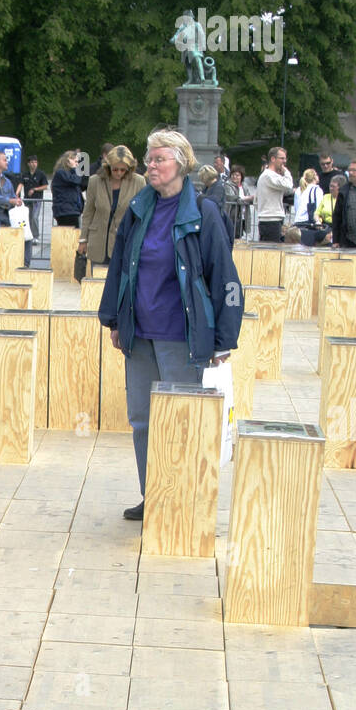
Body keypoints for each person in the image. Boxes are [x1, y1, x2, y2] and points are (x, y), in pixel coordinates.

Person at [98, 128, 243, 521]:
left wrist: (223, 339)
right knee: (143, 420)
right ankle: (155, 496)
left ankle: (184, 501)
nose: (151, 165)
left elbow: (224, 277)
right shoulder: (139, 208)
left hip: (183, 337)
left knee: (181, 420)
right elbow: (120, 269)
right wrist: (113, 318)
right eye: (150, 158)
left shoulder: (203, 212)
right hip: (139, 335)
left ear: (180, 163)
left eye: (159, 159)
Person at [78, 144, 144, 265]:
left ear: (129, 168)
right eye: (115, 169)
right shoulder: (95, 181)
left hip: (124, 243)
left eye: (123, 170)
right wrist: (83, 240)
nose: (118, 173)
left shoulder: (139, 182)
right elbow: (88, 213)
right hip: (98, 244)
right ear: (108, 167)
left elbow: (142, 215)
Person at [255, 146, 293, 242]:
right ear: (272, 159)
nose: (284, 161)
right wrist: (286, 171)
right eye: (282, 158)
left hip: (272, 220)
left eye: (285, 158)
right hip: (270, 220)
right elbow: (288, 185)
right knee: (271, 252)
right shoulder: (268, 176)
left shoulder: (271, 176)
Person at [332, 159, 356, 249]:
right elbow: (337, 217)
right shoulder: (344, 192)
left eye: (354, 170)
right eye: (349, 170)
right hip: (349, 241)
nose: (350, 173)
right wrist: (336, 240)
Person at [292, 168, 325, 245]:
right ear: (314, 177)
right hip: (309, 224)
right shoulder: (317, 189)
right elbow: (318, 208)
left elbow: (296, 208)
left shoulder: (299, 190)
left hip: (297, 223)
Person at [51, 151, 84, 226]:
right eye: (75, 161)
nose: (77, 164)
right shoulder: (61, 173)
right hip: (66, 211)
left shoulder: (68, 174)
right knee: (69, 235)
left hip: (72, 210)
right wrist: (74, 169)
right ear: (68, 161)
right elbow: (75, 181)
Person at [21, 155, 48, 241]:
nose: (34, 164)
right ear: (28, 164)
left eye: (35, 162)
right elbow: (20, 184)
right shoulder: (25, 174)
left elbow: (45, 186)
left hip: (37, 200)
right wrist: (16, 193)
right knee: (28, 217)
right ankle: (28, 234)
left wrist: (35, 189)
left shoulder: (41, 174)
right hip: (27, 200)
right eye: (32, 162)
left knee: (34, 217)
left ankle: (35, 236)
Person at [225, 165, 253, 239]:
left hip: (243, 215)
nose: (235, 177)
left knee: (240, 236)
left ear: (241, 176)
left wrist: (247, 199)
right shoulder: (227, 185)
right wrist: (246, 198)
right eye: (233, 175)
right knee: (231, 236)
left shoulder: (245, 186)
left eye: (237, 175)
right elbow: (234, 198)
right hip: (232, 216)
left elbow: (249, 199)